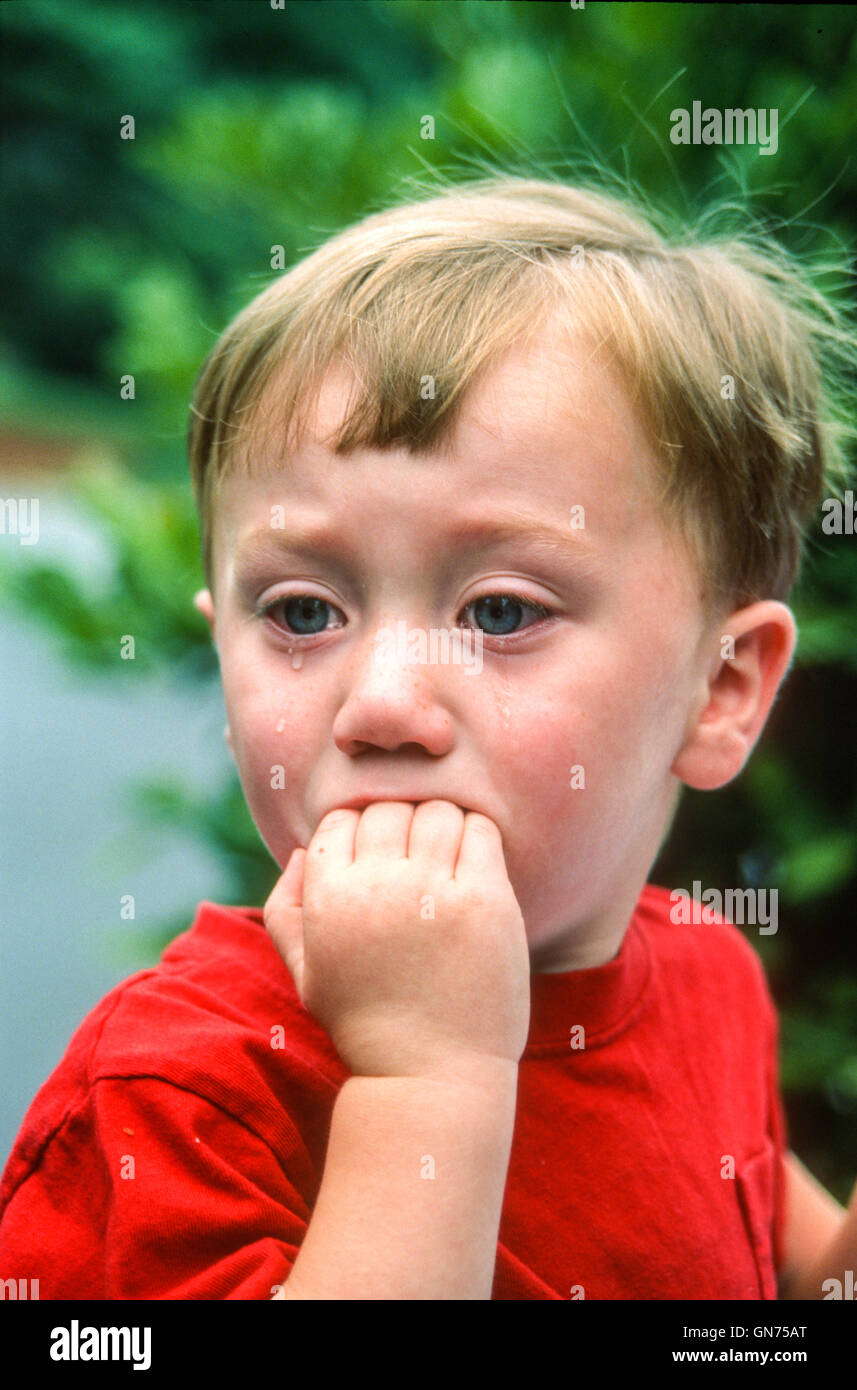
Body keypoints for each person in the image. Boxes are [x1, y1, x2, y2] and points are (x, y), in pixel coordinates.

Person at [2, 176, 855, 1299]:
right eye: (302, 613)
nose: (384, 704)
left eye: (500, 612)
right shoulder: (176, 1091)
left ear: (721, 688)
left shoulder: (706, 979)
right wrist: (426, 1086)